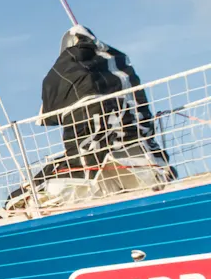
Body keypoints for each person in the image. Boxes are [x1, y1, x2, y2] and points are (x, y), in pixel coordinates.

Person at [40, 24, 172, 179]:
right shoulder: (117, 61)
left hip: (92, 158)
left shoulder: (65, 69)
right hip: (139, 147)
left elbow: (52, 97)